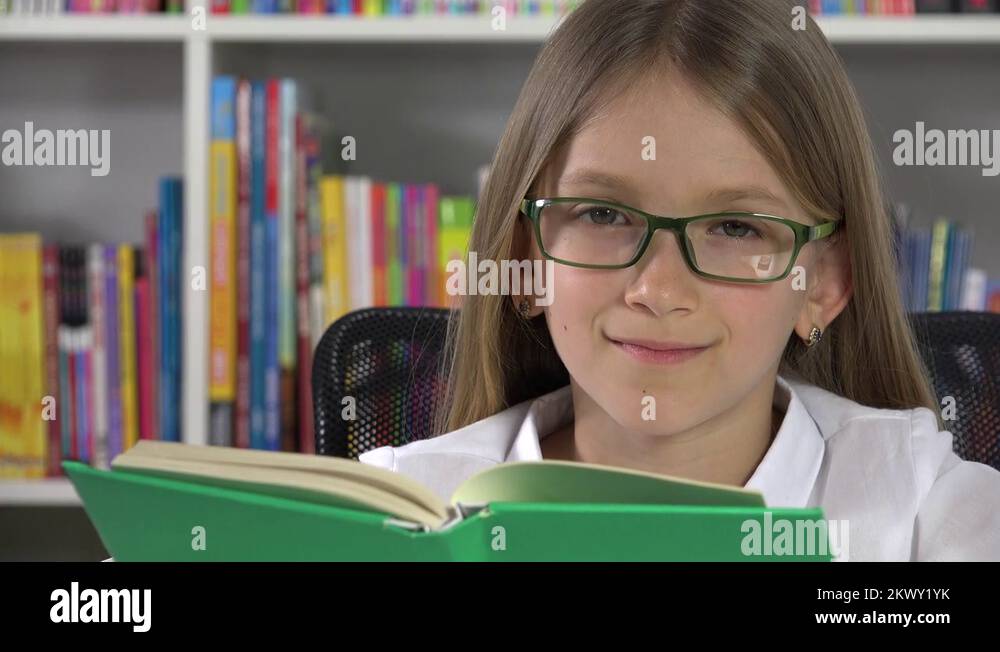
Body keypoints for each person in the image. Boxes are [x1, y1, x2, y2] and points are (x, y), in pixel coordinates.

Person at [360, 0, 1000, 561]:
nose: (658, 291)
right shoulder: (394, 517)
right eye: (603, 214)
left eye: (735, 227)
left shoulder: (927, 519)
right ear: (527, 263)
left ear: (824, 282)